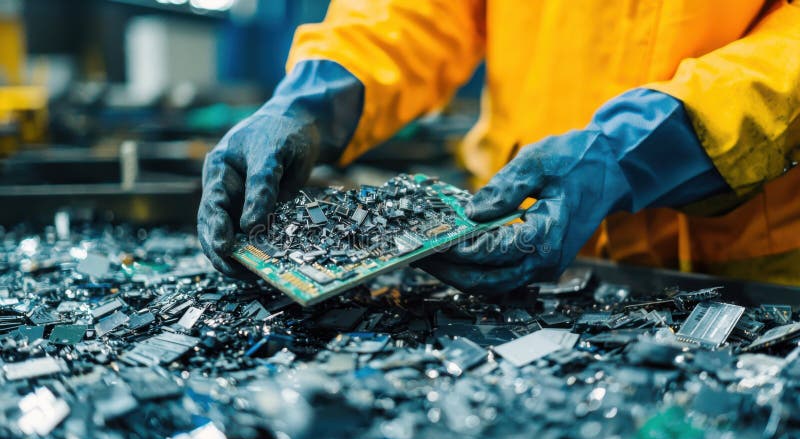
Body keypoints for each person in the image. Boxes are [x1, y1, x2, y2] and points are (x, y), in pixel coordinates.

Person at [198, 0, 800, 292]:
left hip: (739, 258)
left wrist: (641, 148)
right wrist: (310, 102)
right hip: (504, 229)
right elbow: (412, 11)